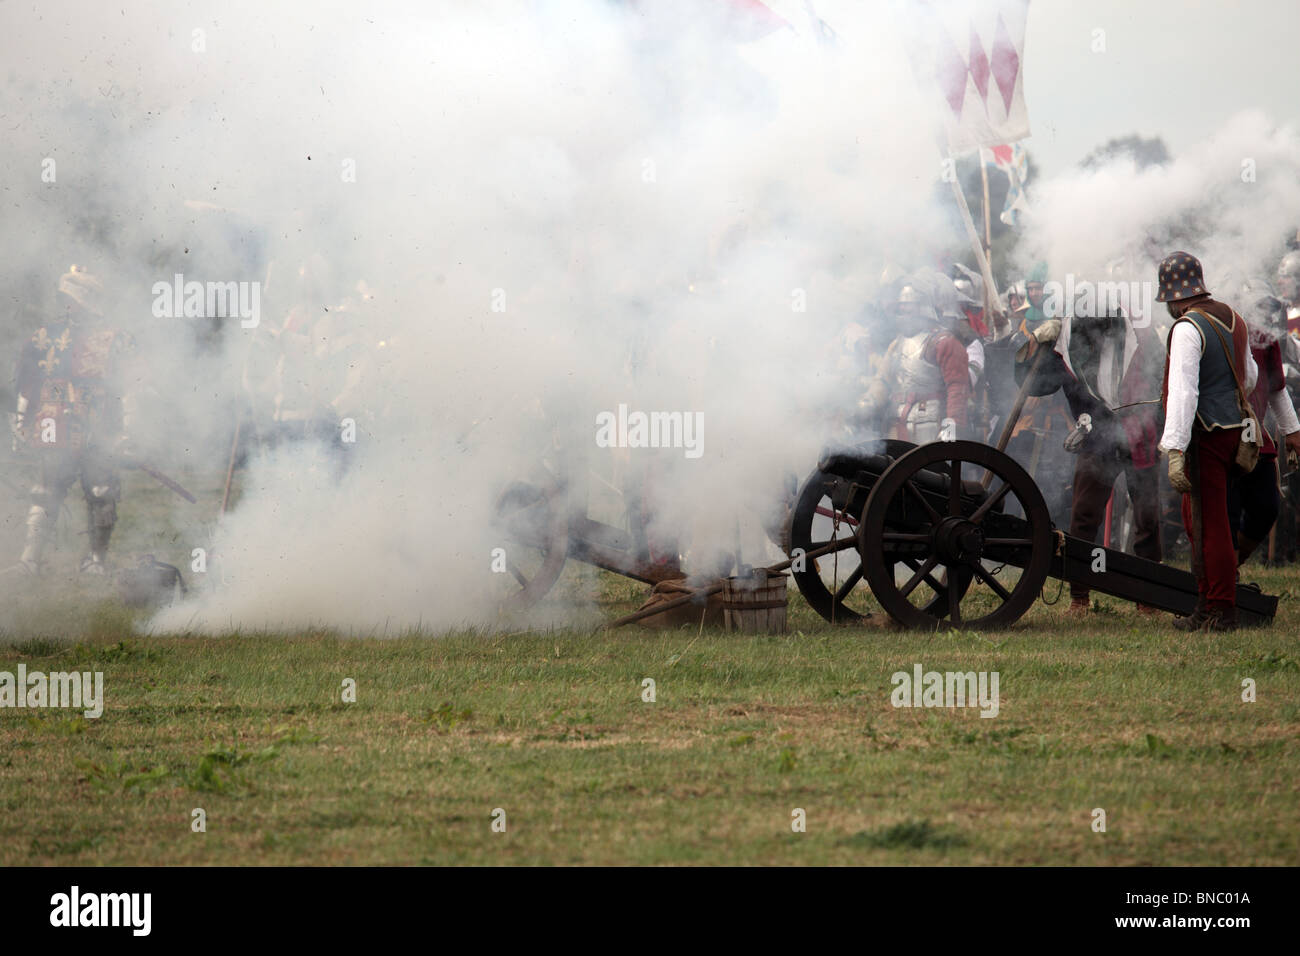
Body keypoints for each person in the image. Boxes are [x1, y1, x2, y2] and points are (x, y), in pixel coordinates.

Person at [1014, 294, 1166, 616]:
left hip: (1141, 434)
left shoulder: (1143, 338)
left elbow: (1162, 383)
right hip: (1097, 437)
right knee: (1084, 516)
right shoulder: (1067, 345)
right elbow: (1034, 385)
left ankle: (1149, 598)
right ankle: (1079, 597)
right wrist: (1035, 344)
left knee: (1147, 518)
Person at [8, 266, 133, 575]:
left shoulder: (114, 338)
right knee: (46, 489)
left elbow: (131, 386)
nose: (67, 303)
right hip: (55, 425)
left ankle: (96, 560)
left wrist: (127, 430)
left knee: (101, 491)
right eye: (65, 296)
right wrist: (22, 417)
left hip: (98, 427)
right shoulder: (45, 334)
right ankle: (30, 560)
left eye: (73, 297)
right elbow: (29, 377)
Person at [1157, 252, 1258, 631]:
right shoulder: (1234, 318)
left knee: (1208, 524)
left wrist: (1175, 448)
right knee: (1200, 521)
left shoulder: (1187, 327)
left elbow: (1184, 393)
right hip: (1231, 430)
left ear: (1173, 295)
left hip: (1204, 434)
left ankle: (1219, 609)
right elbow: (1248, 378)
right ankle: (1207, 604)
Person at [1228, 290, 1300, 566]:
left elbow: (1276, 389)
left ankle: (1231, 564)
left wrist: (1291, 430)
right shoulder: (1211, 334)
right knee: (1229, 511)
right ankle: (1225, 580)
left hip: (1255, 433)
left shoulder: (1265, 338)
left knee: (1267, 507)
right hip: (1220, 434)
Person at [864, 270, 971, 442]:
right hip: (898, 422)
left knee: (931, 469)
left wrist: (952, 426)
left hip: (930, 423)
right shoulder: (898, 343)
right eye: (902, 305)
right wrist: (867, 403)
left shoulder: (944, 342)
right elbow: (883, 379)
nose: (903, 309)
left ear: (923, 306)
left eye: (909, 304)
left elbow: (957, 387)